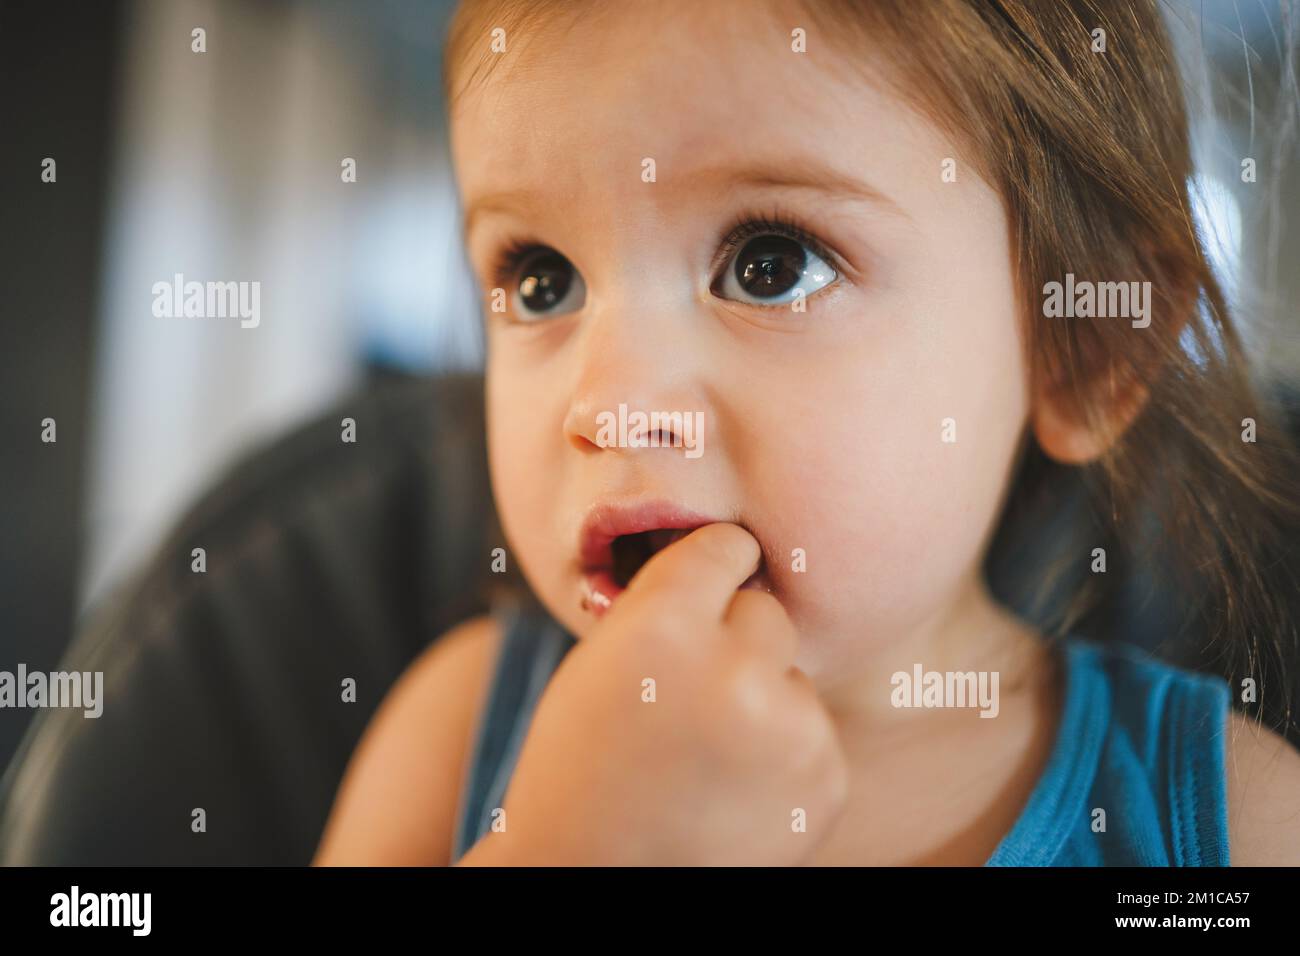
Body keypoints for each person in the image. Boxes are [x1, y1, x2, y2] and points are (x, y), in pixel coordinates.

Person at [313, 0, 1300, 866]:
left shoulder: (1229, 821)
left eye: (771, 264)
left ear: (1081, 350)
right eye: (542, 279)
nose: (608, 404)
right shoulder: (454, 737)